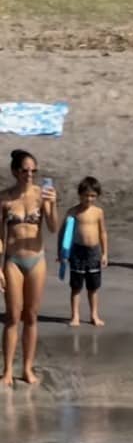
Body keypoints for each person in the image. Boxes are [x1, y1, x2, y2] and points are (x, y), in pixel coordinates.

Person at [2, 149, 54, 386]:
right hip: (13, 260)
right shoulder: (5, 199)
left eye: (34, 171)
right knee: (13, 316)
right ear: (15, 172)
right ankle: (7, 371)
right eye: (25, 170)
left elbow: (53, 227)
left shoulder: (42, 196)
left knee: (31, 316)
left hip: (36, 259)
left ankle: (27, 368)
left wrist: (52, 206)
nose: (30, 175)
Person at [64, 177, 107, 327]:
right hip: (77, 252)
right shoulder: (73, 212)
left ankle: (94, 315)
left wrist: (105, 253)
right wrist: (63, 254)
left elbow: (103, 233)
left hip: (94, 252)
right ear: (80, 194)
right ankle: (75, 315)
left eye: (93, 196)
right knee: (76, 287)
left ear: (97, 196)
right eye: (86, 195)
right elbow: (66, 234)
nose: (89, 199)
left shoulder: (98, 212)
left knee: (93, 287)